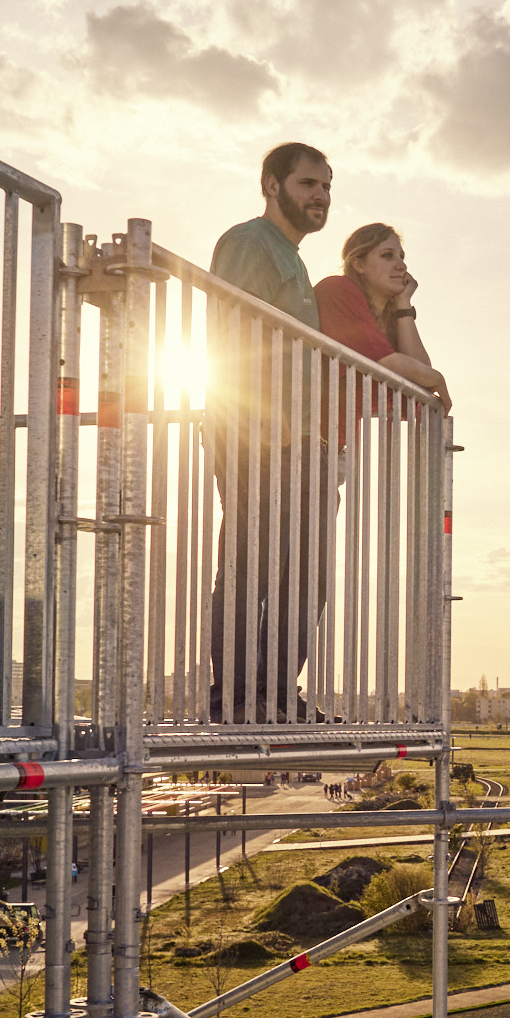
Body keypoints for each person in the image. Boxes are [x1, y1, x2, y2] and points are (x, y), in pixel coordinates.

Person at [205, 141, 336, 723]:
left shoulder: (293, 257)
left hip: (298, 442)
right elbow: (228, 331)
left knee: (303, 576)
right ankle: (236, 697)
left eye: (327, 186)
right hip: (255, 435)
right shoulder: (249, 242)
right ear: (272, 185)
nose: (321, 196)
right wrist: (256, 416)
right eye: (309, 184)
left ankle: (279, 694)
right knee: (249, 568)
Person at [312, 222, 450, 406]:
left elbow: (421, 378)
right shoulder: (337, 289)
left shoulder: (382, 320)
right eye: (388, 256)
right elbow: (390, 363)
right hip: (300, 428)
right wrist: (438, 379)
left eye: (401, 257)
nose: (402, 266)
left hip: (334, 433)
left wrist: (403, 306)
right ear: (359, 265)